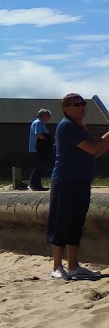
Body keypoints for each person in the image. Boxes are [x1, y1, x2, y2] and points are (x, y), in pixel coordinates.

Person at [47, 93, 109, 280]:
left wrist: (104, 141)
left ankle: (73, 266)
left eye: (83, 104)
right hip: (65, 182)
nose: (81, 107)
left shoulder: (79, 128)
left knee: (76, 225)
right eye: (76, 104)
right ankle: (57, 266)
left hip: (81, 181)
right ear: (66, 108)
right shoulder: (66, 126)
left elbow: (93, 153)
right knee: (60, 224)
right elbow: (94, 149)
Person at [28, 108, 53, 191]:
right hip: (38, 148)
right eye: (48, 116)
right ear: (43, 115)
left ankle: (36, 183)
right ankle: (34, 184)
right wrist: (48, 138)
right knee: (39, 166)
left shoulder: (40, 123)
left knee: (40, 166)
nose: (49, 118)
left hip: (40, 148)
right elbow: (38, 135)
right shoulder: (38, 123)